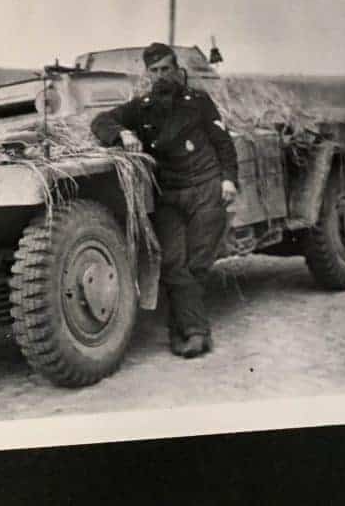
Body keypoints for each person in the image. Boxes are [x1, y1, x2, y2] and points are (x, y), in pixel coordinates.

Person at [91, 42, 238, 358]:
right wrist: (122, 134)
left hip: (204, 188)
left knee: (197, 262)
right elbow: (101, 121)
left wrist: (228, 179)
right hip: (169, 195)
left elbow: (223, 142)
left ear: (176, 69)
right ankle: (191, 330)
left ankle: (187, 332)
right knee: (172, 262)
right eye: (155, 70)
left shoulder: (198, 101)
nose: (161, 75)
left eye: (166, 69)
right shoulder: (141, 107)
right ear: (148, 73)